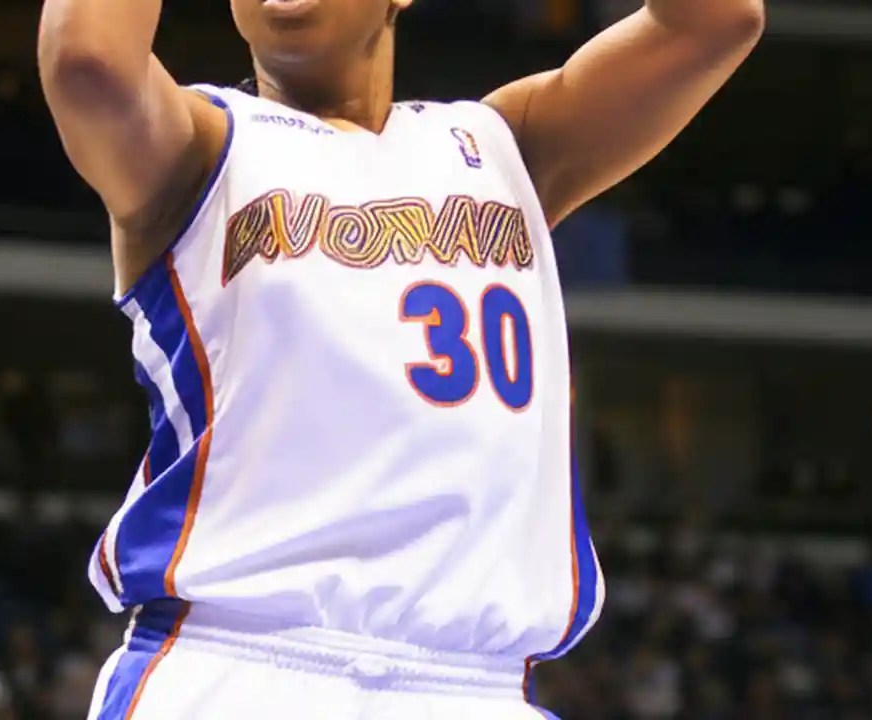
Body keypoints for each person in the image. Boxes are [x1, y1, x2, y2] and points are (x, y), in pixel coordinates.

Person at [37, 1, 763, 717]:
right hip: (240, 665)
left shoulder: (511, 145)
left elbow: (716, 19)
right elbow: (89, 61)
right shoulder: (197, 148)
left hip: (476, 687)